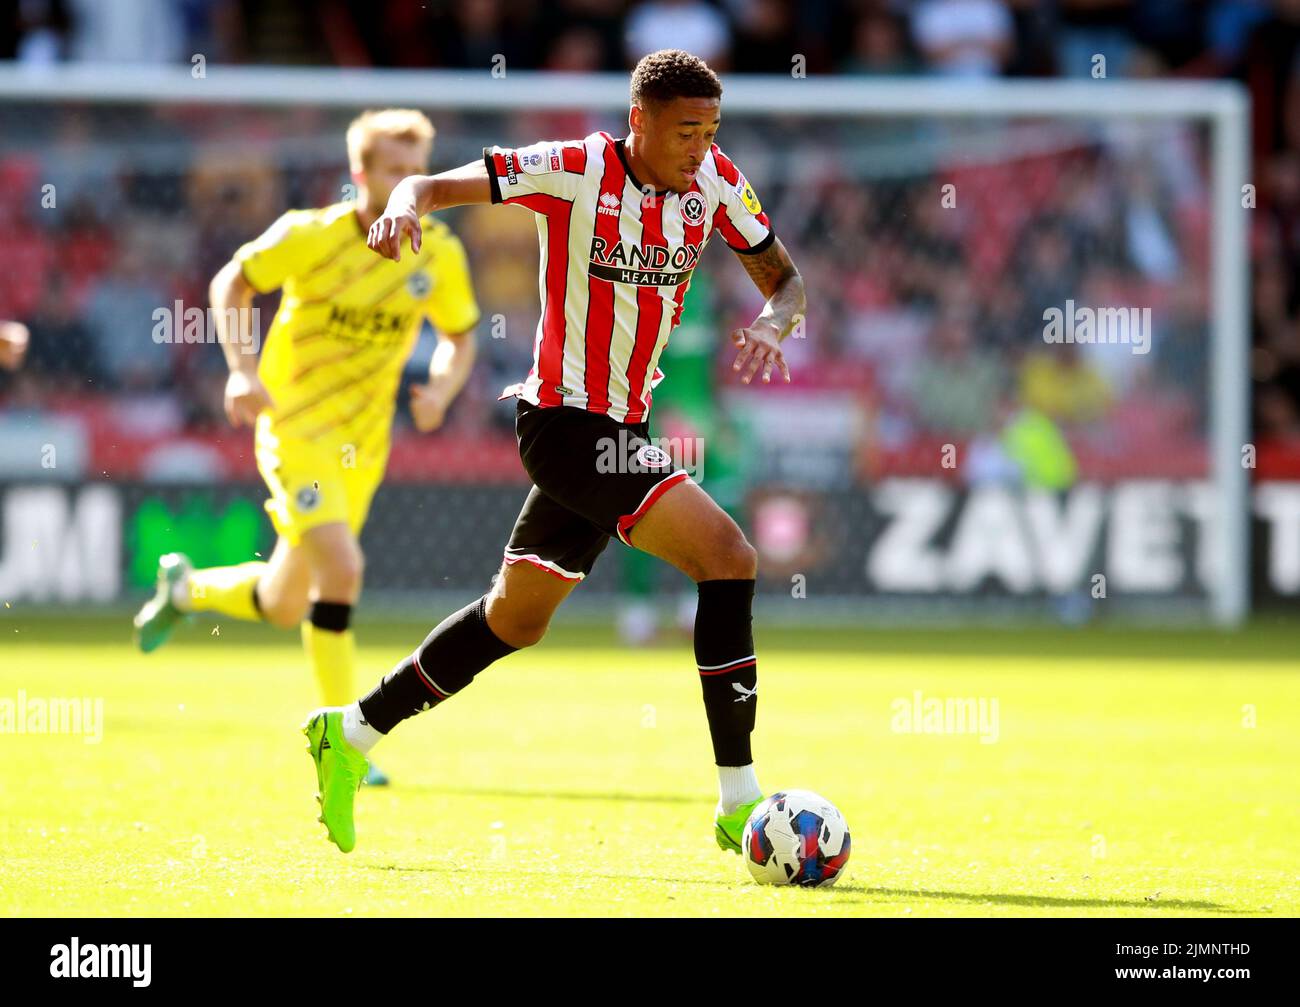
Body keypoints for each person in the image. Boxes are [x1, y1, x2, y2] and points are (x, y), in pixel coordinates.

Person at [305, 49, 807, 858]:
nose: (700, 147)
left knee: (516, 617)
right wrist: (401, 205)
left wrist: (772, 323)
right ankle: (739, 799)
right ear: (638, 121)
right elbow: (430, 188)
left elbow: (785, 281)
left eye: (711, 130)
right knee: (728, 554)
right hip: (564, 424)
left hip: (623, 429)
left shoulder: (716, 180)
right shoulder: (574, 169)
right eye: (686, 131)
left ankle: (351, 730)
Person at [132, 109, 482, 787]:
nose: (408, 181)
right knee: (343, 568)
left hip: (364, 444)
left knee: (286, 599)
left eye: (418, 169)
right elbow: (230, 281)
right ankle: (343, 735)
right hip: (295, 429)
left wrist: (441, 388)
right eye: (393, 169)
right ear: (360, 174)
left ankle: (186, 587)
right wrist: (240, 367)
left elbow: (462, 335)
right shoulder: (311, 234)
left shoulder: (438, 251)